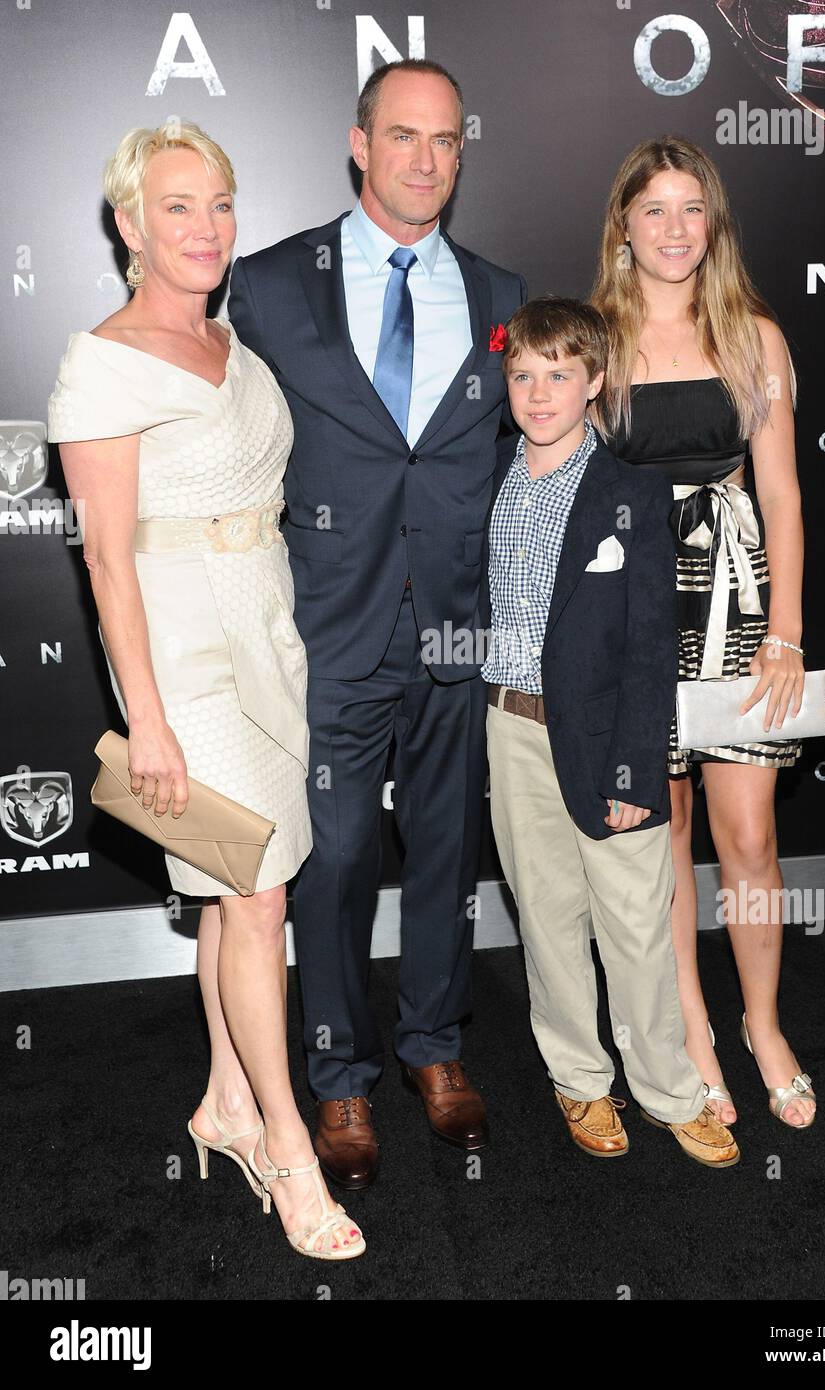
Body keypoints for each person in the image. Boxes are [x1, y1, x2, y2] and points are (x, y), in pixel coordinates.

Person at [47, 119, 365, 1260]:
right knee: (261, 896)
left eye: (220, 204)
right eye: (176, 207)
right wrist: (148, 721)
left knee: (234, 889)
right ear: (129, 224)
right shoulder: (104, 360)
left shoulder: (234, 342)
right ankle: (285, 1144)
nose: (205, 228)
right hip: (183, 656)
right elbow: (106, 560)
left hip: (265, 632)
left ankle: (226, 1094)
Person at [226, 59, 526, 1188]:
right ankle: (337, 1075)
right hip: (327, 628)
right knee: (338, 857)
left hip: (456, 629)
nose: (423, 159)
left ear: (461, 152)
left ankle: (435, 1051)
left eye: (444, 140)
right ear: (359, 144)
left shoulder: (501, 298)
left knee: (448, 851)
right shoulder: (267, 286)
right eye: (401, 136)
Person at [481, 295, 740, 1168]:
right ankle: (579, 1080)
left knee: (633, 922)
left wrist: (637, 772)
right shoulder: (490, 481)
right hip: (511, 731)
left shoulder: (632, 492)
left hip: (607, 745)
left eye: (560, 374)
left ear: (594, 382)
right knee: (547, 918)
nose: (540, 392)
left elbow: (651, 649)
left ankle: (668, 1086)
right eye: (524, 374)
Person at [589, 136, 816, 1129]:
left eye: (690, 209)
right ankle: (692, 1026)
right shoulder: (595, 338)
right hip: (637, 600)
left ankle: (762, 1023)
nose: (673, 230)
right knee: (667, 836)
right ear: (623, 228)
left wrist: (785, 630)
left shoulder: (751, 335)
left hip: (732, 593)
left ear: (709, 223)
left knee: (750, 836)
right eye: (653, 211)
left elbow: (780, 493)